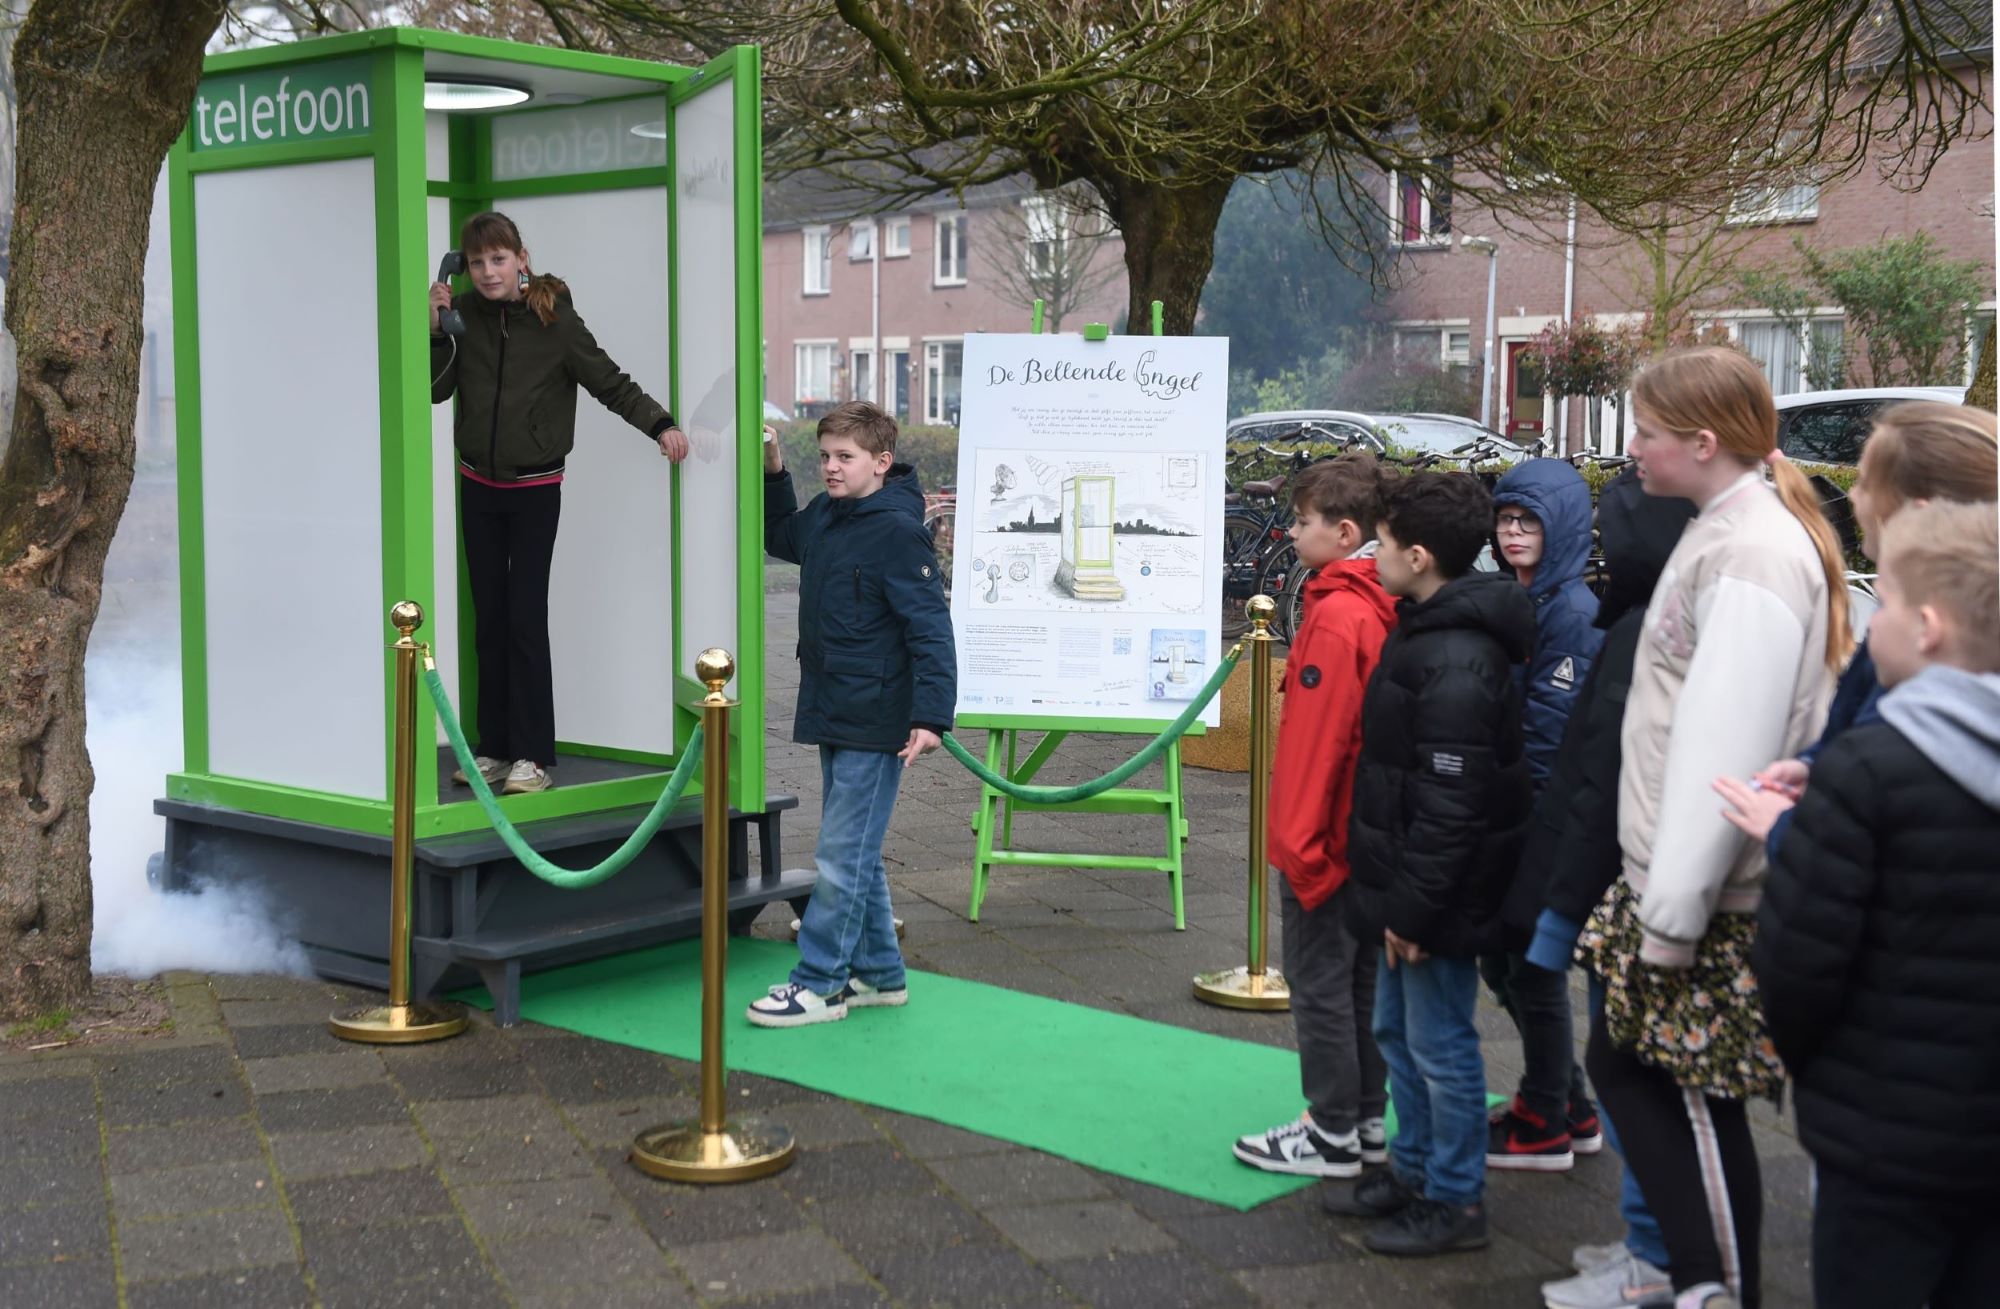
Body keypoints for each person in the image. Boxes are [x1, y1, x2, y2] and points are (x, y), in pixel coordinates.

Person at [1577, 347, 1846, 1309]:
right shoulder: (1726, 530)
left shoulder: (1751, 550)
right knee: (1640, 1065)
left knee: (1682, 1084)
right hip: (1678, 873)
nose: (1631, 451)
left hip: (1703, 887)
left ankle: (1715, 1286)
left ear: (1702, 441)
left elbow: (1723, 755)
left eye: (1645, 432)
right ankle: (1701, 1277)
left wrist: (1675, 912)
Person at [1731, 501, 2000, 1309]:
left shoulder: (1866, 770)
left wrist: (1818, 1065)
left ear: (1924, 627)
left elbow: (1798, 959)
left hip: (1880, 1137)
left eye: (1880, 602)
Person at [1323, 471, 1536, 1258]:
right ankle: (1410, 1173)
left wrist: (1412, 911)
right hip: (1410, 887)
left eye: (1380, 541)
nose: (1372, 552)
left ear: (1417, 555)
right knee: (1397, 1029)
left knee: (1440, 1044)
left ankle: (1454, 1197)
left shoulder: (1453, 658)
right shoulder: (1425, 627)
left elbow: (1450, 806)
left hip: (1436, 897)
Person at [429, 211, 688, 795]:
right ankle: (494, 750)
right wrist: (436, 325)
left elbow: (609, 381)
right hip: (478, 486)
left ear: (522, 258)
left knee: (524, 618)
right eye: (476, 263)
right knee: (488, 622)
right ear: (463, 268)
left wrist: (661, 425)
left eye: (498, 259)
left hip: (535, 491)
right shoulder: (462, 315)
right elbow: (434, 388)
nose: (488, 272)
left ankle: (533, 757)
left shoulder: (554, 319)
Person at [1526, 468, 1697, 1309]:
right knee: (1628, 1064)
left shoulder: (1638, 630)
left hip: (1636, 882)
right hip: (1627, 875)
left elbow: (1596, 772)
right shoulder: (1637, 622)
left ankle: (1663, 1256)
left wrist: (1559, 904)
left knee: (1638, 1070)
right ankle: (1648, 1240)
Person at [748, 401, 955, 1028]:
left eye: (846, 458)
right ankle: (880, 975)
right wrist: (774, 469)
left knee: (838, 855)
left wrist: (931, 717)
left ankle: (820, 985)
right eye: (826, 457)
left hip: (877, 718)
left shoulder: (895, 530)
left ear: (881, 463)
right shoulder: (829, 516)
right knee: (856, 851)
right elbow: (780, 534)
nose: (832, 469)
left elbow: (931, 628)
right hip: (834, 707)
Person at [1232, 454, 1399, 1178]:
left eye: (1304, 522)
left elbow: (1316, 744)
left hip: (1324, 841)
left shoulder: (1336, 617)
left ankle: (1329, 1126)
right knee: (1357, 982)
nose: (1294, 533)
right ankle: (1362, 1118)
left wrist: (1298, 848)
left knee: (1322, 982)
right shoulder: (1376, 603)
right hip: (1359, 835)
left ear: (1345, 531)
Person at [1741, 401, 1997, 856]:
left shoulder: (1921, 653)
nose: (1853, 496)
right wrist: (1817, 768)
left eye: (1862, 481)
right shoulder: (1922, 627)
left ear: (1915, 512)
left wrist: (1787, 829)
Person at [1483, 458, 1607, 1171]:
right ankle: (1571, 1102)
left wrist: (1518, 826)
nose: (1513, 532)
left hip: (1539, 821)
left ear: (1558, 527)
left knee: (1530, 970)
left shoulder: (1571, 613)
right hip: (1514, 814)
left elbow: (1548, 733)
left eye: (1528, 520)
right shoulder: (1517, 597)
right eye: (1505, 519)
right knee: (1505, 963)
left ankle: (1544, 1117)